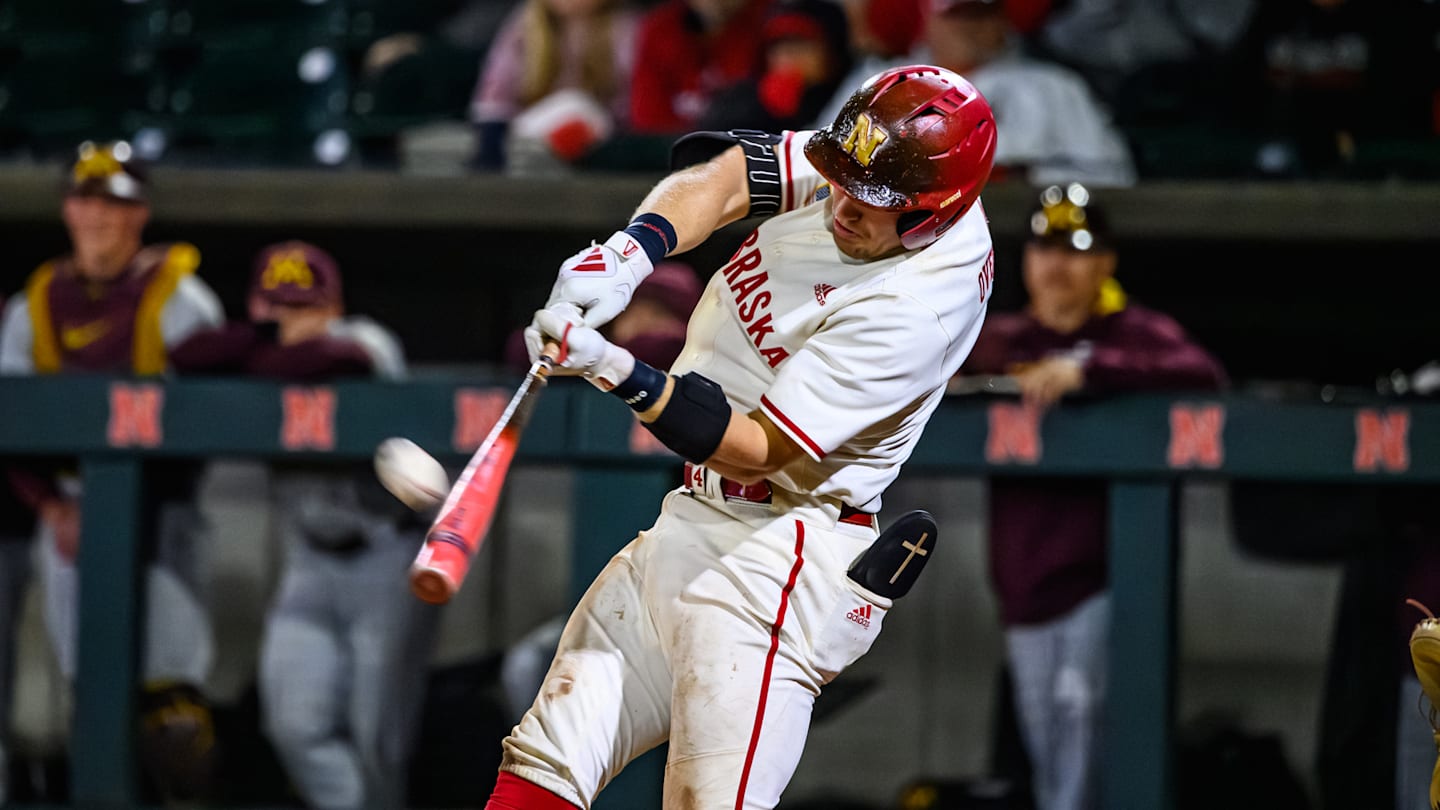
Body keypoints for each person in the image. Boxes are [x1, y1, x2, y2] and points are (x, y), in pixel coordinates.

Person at [487, 63, 997, 809]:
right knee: (542, 763)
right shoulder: (865, 167)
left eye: (873, 201)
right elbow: (728, 177)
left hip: (779, 557)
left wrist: (613, 367)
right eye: (841, 181)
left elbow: (760, 446)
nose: (842, 206)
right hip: (691, 520)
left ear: (932, 212)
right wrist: (630, 255)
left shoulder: (918, 306)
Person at [954, 183, 1225, 810]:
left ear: (1104, 262)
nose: (1057, 264)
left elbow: (1204, 374)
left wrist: (1089, 371)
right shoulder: (1000, 339)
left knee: (1086, 749)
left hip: (1105, 580)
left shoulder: (1131, 333)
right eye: (1046, 248)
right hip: (1022, 583)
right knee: (1051, 753)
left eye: (1075, 251)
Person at [171, 241, 441, 809]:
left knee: (377, 738)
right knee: (294, 722)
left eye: (305, 307)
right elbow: (184, 355)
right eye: (277, 307)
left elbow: (333, 361)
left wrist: (257, 348)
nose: (291, 322)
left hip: (388, 555)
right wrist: (258, 338)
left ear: (333, 305)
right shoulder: (259, 349)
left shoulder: (366, 340)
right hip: (309, 561)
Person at [0, 140, 225, 803]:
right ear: (67, 210)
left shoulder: (180, 297)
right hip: (67, 507)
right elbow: (11, 425)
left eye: (114, 204)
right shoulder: (34, 303)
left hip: (163, 509)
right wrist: (51, 505)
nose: (97, 217)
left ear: (139, 214)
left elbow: (204, 426)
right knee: (91, 688)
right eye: (85, 202)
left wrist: (122, 508)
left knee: (174, 708)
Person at [818, 0, 1136, 187]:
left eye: (981, 13)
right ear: (928, 18)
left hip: (1019, 241)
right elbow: (817, 164)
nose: (970, 27)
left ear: (1002, 18)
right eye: (958, 14)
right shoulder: (880, 82)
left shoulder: (1054, 87)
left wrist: (1023, 178)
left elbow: (1113, 177)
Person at [469, 0, 641, 170]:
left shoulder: (626, 28)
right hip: (530, 135)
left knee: (578, 105)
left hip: (602, 137)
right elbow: (494, 93)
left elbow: (631, 100)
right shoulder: (524, 24)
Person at [504, 259, 702, 375]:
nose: (642, 320)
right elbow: (520, 348)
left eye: (659, 314)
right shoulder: (590, 346)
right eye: (636, 308)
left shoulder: (694, 355)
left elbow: (658, 350)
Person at [695, 0, 854, 134]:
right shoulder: (744, 98)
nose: (786, 55)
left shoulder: (859, 88)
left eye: (800, 43)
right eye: (777, 44)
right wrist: (764, 111)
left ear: (833, 51)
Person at [627, 0, 775, 135]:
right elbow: (647, 120)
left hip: (745, 149)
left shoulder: (769, 22)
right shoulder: (660, 29)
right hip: (675, 150)